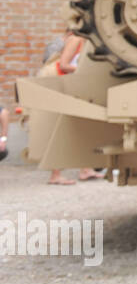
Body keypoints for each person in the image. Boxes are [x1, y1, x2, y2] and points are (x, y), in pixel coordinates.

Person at [37, 22, 104, 183]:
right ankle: (56, 175)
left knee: (80, 124)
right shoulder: (76, 39)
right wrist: (88, 72)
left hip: (68, 85)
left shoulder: (82, 40)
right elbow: (65, 65)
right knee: (60, 126)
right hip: (60, 85)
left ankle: (86, 169)